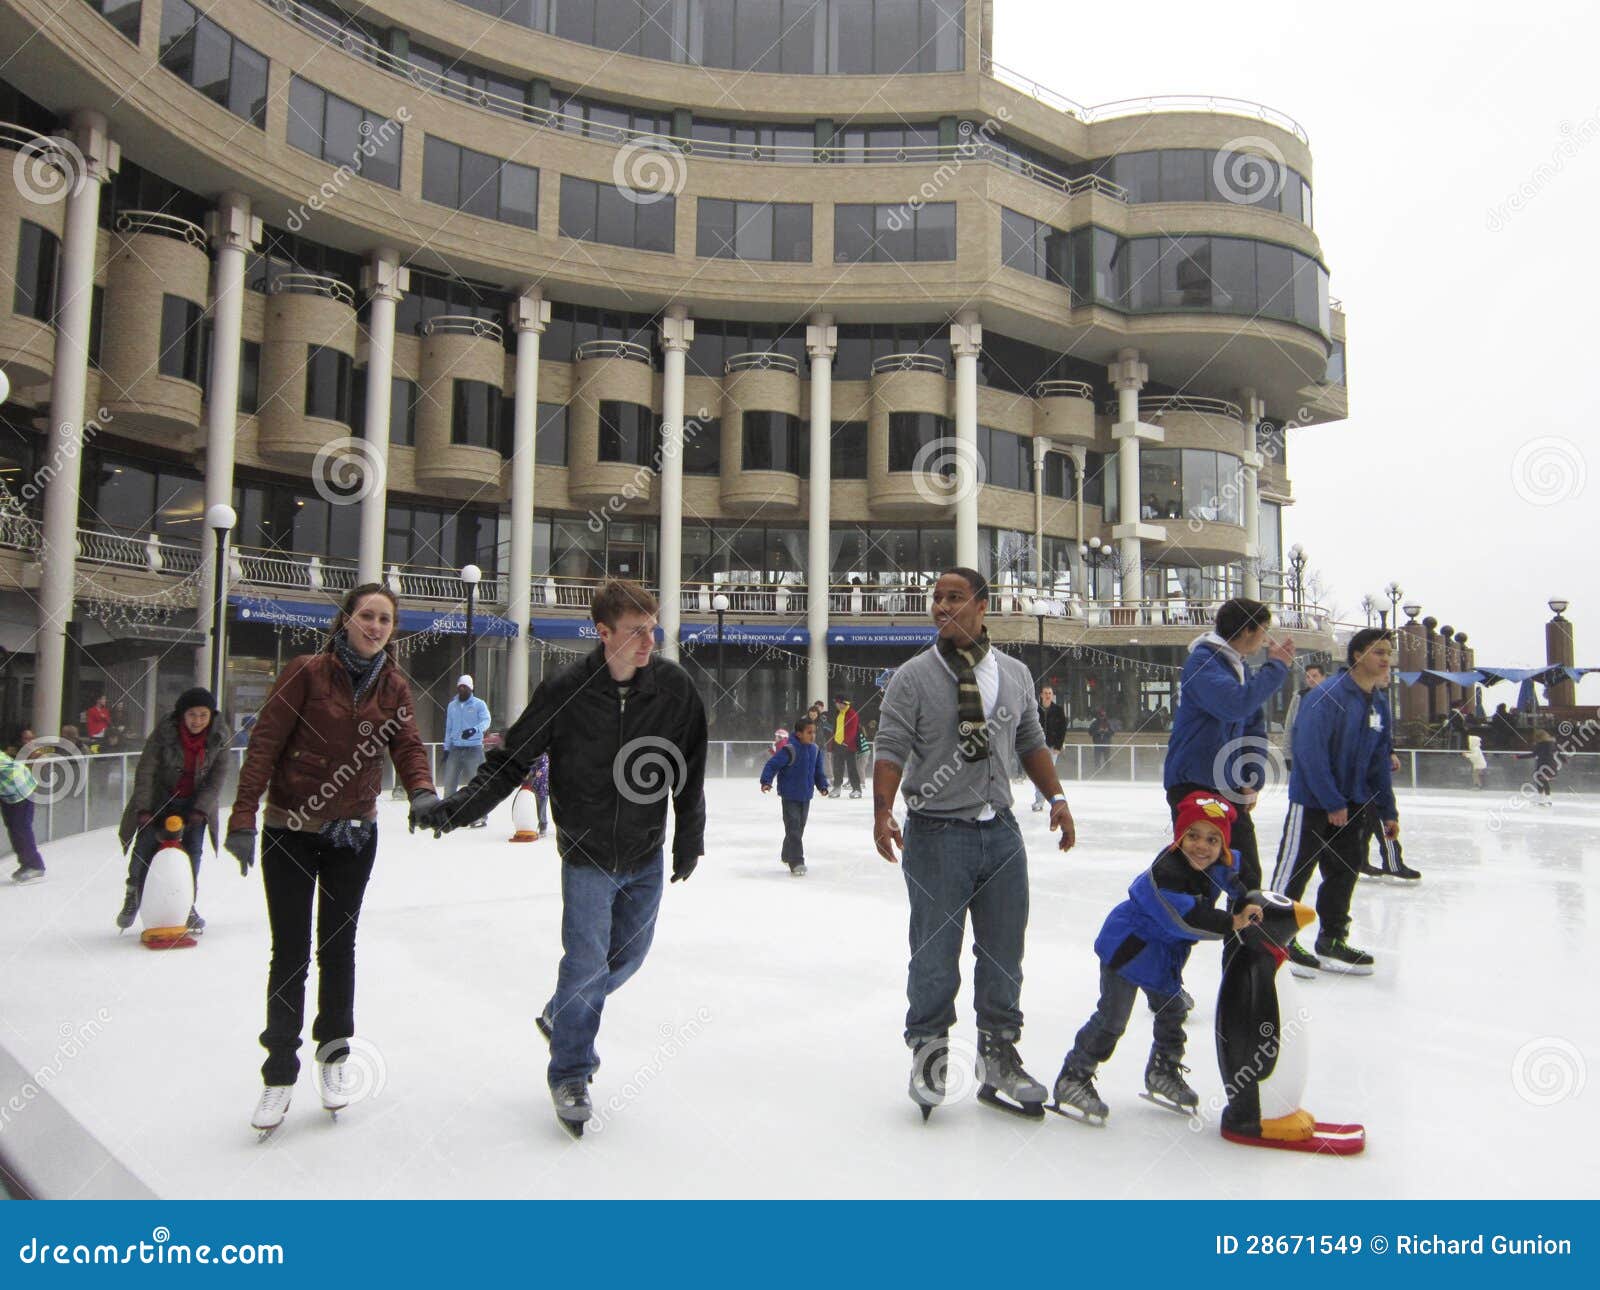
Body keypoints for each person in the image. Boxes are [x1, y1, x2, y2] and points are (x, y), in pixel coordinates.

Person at [411, 580, 707, 1134]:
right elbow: (511, 761)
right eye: (637, 632)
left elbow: (688, 770)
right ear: (603, 633)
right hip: (587, 855)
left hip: (644, 851)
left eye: (653, 629)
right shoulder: (567, 690)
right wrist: (455, 810)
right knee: (586, 965)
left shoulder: (674, 688)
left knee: (629, 957)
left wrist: (689, 837)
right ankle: (570, 1072)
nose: (650, 641)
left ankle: (561, 1011)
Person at [225, 583, 437, 1135]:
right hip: (290, 831)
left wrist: (421, 792)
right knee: (290, 954)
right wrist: (243, 815)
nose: (375, 626)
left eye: (385, 619)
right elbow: (266, 743)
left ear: (392, 629)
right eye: (367, 615)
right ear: (346, 619)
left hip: (353, 835)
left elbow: (408, 745)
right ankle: (278, 1073)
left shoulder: (393, 685)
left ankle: (334, 1056)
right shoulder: (307, 672)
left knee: (339, 950)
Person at [873, 567, 1077, 1119]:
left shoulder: (1013, 673)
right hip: (937, 833)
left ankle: (999, 1054)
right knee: (934, 955)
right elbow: (890, 747)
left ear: (983, 606)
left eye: (955, 597)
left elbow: (1031, 741)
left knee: (1004, 952)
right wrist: (883, 811)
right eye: (936, 597)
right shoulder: (913, 677)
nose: (941, 606)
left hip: (1001, 831)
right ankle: (929, 1053)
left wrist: (1057, 798)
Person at [1051, 792, 1262, 1122]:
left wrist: (1252, 897)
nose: (1201, 846)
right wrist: (1232, 922)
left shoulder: (1215, 862)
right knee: (1112, 1019)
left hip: (1162, 955)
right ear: (1179, 837)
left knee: (1173, 1010)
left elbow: (1235, 870)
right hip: (1128, 949)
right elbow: (1186, 919)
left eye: (1212, 839)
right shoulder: (1168, 873)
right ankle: (1073, 1076)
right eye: (1192, 836)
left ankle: (1162, 1071)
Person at [1268, 628, 1397, 977]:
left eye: (1388, 652)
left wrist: (1387, 811)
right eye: (1378, 652)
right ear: (1357, 655)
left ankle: (1332, 939)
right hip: (1313, 802)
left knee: (1344, 872)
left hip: (1354, 803)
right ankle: (1274, 939)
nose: (1386, 659)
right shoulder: (1327, 695)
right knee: (1295, 870)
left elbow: (1379, 761)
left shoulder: (1378, 703)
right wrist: (1331, 800)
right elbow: (1310, 752)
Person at [1162, 598, 1295, 893]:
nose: (1266, 639)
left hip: (1226, 784)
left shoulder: (1239, 667)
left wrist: (1250, 779)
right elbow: (1235, 705)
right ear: (1247, 630)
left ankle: (1245, 925)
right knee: (1199, 874)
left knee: (1246, 873)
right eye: (1263, 631)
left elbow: (1253, 727)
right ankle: (1185, 922)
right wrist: (1276, 667)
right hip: (1195, 782)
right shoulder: (1203, 663)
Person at [115, 687, 230, 934]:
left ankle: (187, 905)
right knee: (144, 847)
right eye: (192, 715)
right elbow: (146, 770)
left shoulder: (220, 736)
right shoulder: (164, 732)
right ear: (182, 715)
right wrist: (144, 809)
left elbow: (217, 779)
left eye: (203, 715)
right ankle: (133, 894)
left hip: (195, 803)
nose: (197, 721)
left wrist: (200, 810)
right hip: (160, 799)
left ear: (211, 716)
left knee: (193, 853)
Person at [760, 716, 829, 875]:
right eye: (809, 732)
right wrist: (766, 781)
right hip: (790, 796)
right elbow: (772, 765)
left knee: (799, 828)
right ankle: (797, 861)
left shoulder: (815, 750)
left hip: (806, 796)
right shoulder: (789, 749)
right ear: (799, 734)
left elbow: (818, 772)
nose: (813, 736)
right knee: (793, 828)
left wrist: (822, 786)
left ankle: (787, 854)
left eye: (814, 732)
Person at [440, 674, 492, 825]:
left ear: (471, 688)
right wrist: (446, 748)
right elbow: (449, 728)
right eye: (460, 686)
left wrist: (474, 730)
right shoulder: (452, 706)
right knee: (449, 783)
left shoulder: (479, 704)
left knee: (475, 784)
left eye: (465, 687)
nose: (462, 689)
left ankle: (479, 816)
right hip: (455, 749)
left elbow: (486, 720)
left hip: (474, 749)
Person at [1362, 753, 1421, 881]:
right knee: (1382, 817)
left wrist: (1390, 753)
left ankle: (1358, 861)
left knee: (1367, 821)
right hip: (1371, 777)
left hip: (1370, 774)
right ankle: (1392, 864)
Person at [1, 747, 45, 883]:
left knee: (20, 828)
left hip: (20, 788)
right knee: (13, 827)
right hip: (8, 791)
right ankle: (27, 864)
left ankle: (34, 866)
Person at [1281, 663, 1326, 771]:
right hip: (1302, 752)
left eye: (1314, 676)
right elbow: (1289, 725)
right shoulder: (1299, 697)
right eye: (1308, 677)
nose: (1311, 680)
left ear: (1323, 677)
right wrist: (1287, 755)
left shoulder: (1332, 696)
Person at [1032, 685, 1068, 812]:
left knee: (1048, 775)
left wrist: (1058, 746)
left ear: (1052, 695)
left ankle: (1052, 800)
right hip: (1037, 746)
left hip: (1052, 747)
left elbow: (1062, 729)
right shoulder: (1035, 709)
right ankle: (1039, 800)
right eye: (1045, 693)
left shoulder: (1058, 710)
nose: (1048, 695)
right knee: (1038, 774)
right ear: (1041, 695)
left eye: (1050, 693)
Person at [831, 695, 862, 798]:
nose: (838, 705)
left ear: (845, 703)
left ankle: (856, 789)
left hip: (849, 746)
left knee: (852, 768)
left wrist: (845, 742)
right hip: (837, 744)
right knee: (837, 768)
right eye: (837, 703)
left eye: (840, 703)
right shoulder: (838, 713)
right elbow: (835, 729)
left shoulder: (852, 713)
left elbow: (852, 730)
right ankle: (836, 787)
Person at [1516, 730, 1559, 805]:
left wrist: (1518, 757)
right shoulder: (1552, 744)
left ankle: (1545, 799)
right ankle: (1544, 799)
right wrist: (1565, 760)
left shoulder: (1541, 745)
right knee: (1543, 781)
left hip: (1544, 765)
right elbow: (1558, 753)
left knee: (1542, 781)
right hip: (1551, 765)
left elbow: (1533, 754)